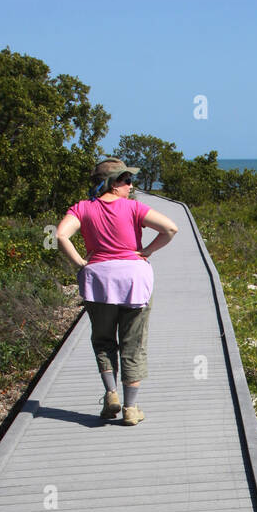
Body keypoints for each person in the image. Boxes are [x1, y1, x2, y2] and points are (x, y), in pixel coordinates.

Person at [55, 158, 178, 425]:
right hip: (134, 281)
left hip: (98, 281)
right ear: (113, 183)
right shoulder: (134, 208)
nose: (131, 186)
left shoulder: (82, 209)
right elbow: (170, 228)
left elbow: (61, 235)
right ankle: (131, 409)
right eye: (127, 180)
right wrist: (146, 251)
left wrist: (79, 263)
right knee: (133, 344)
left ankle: (111, 394)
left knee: (103, 340)